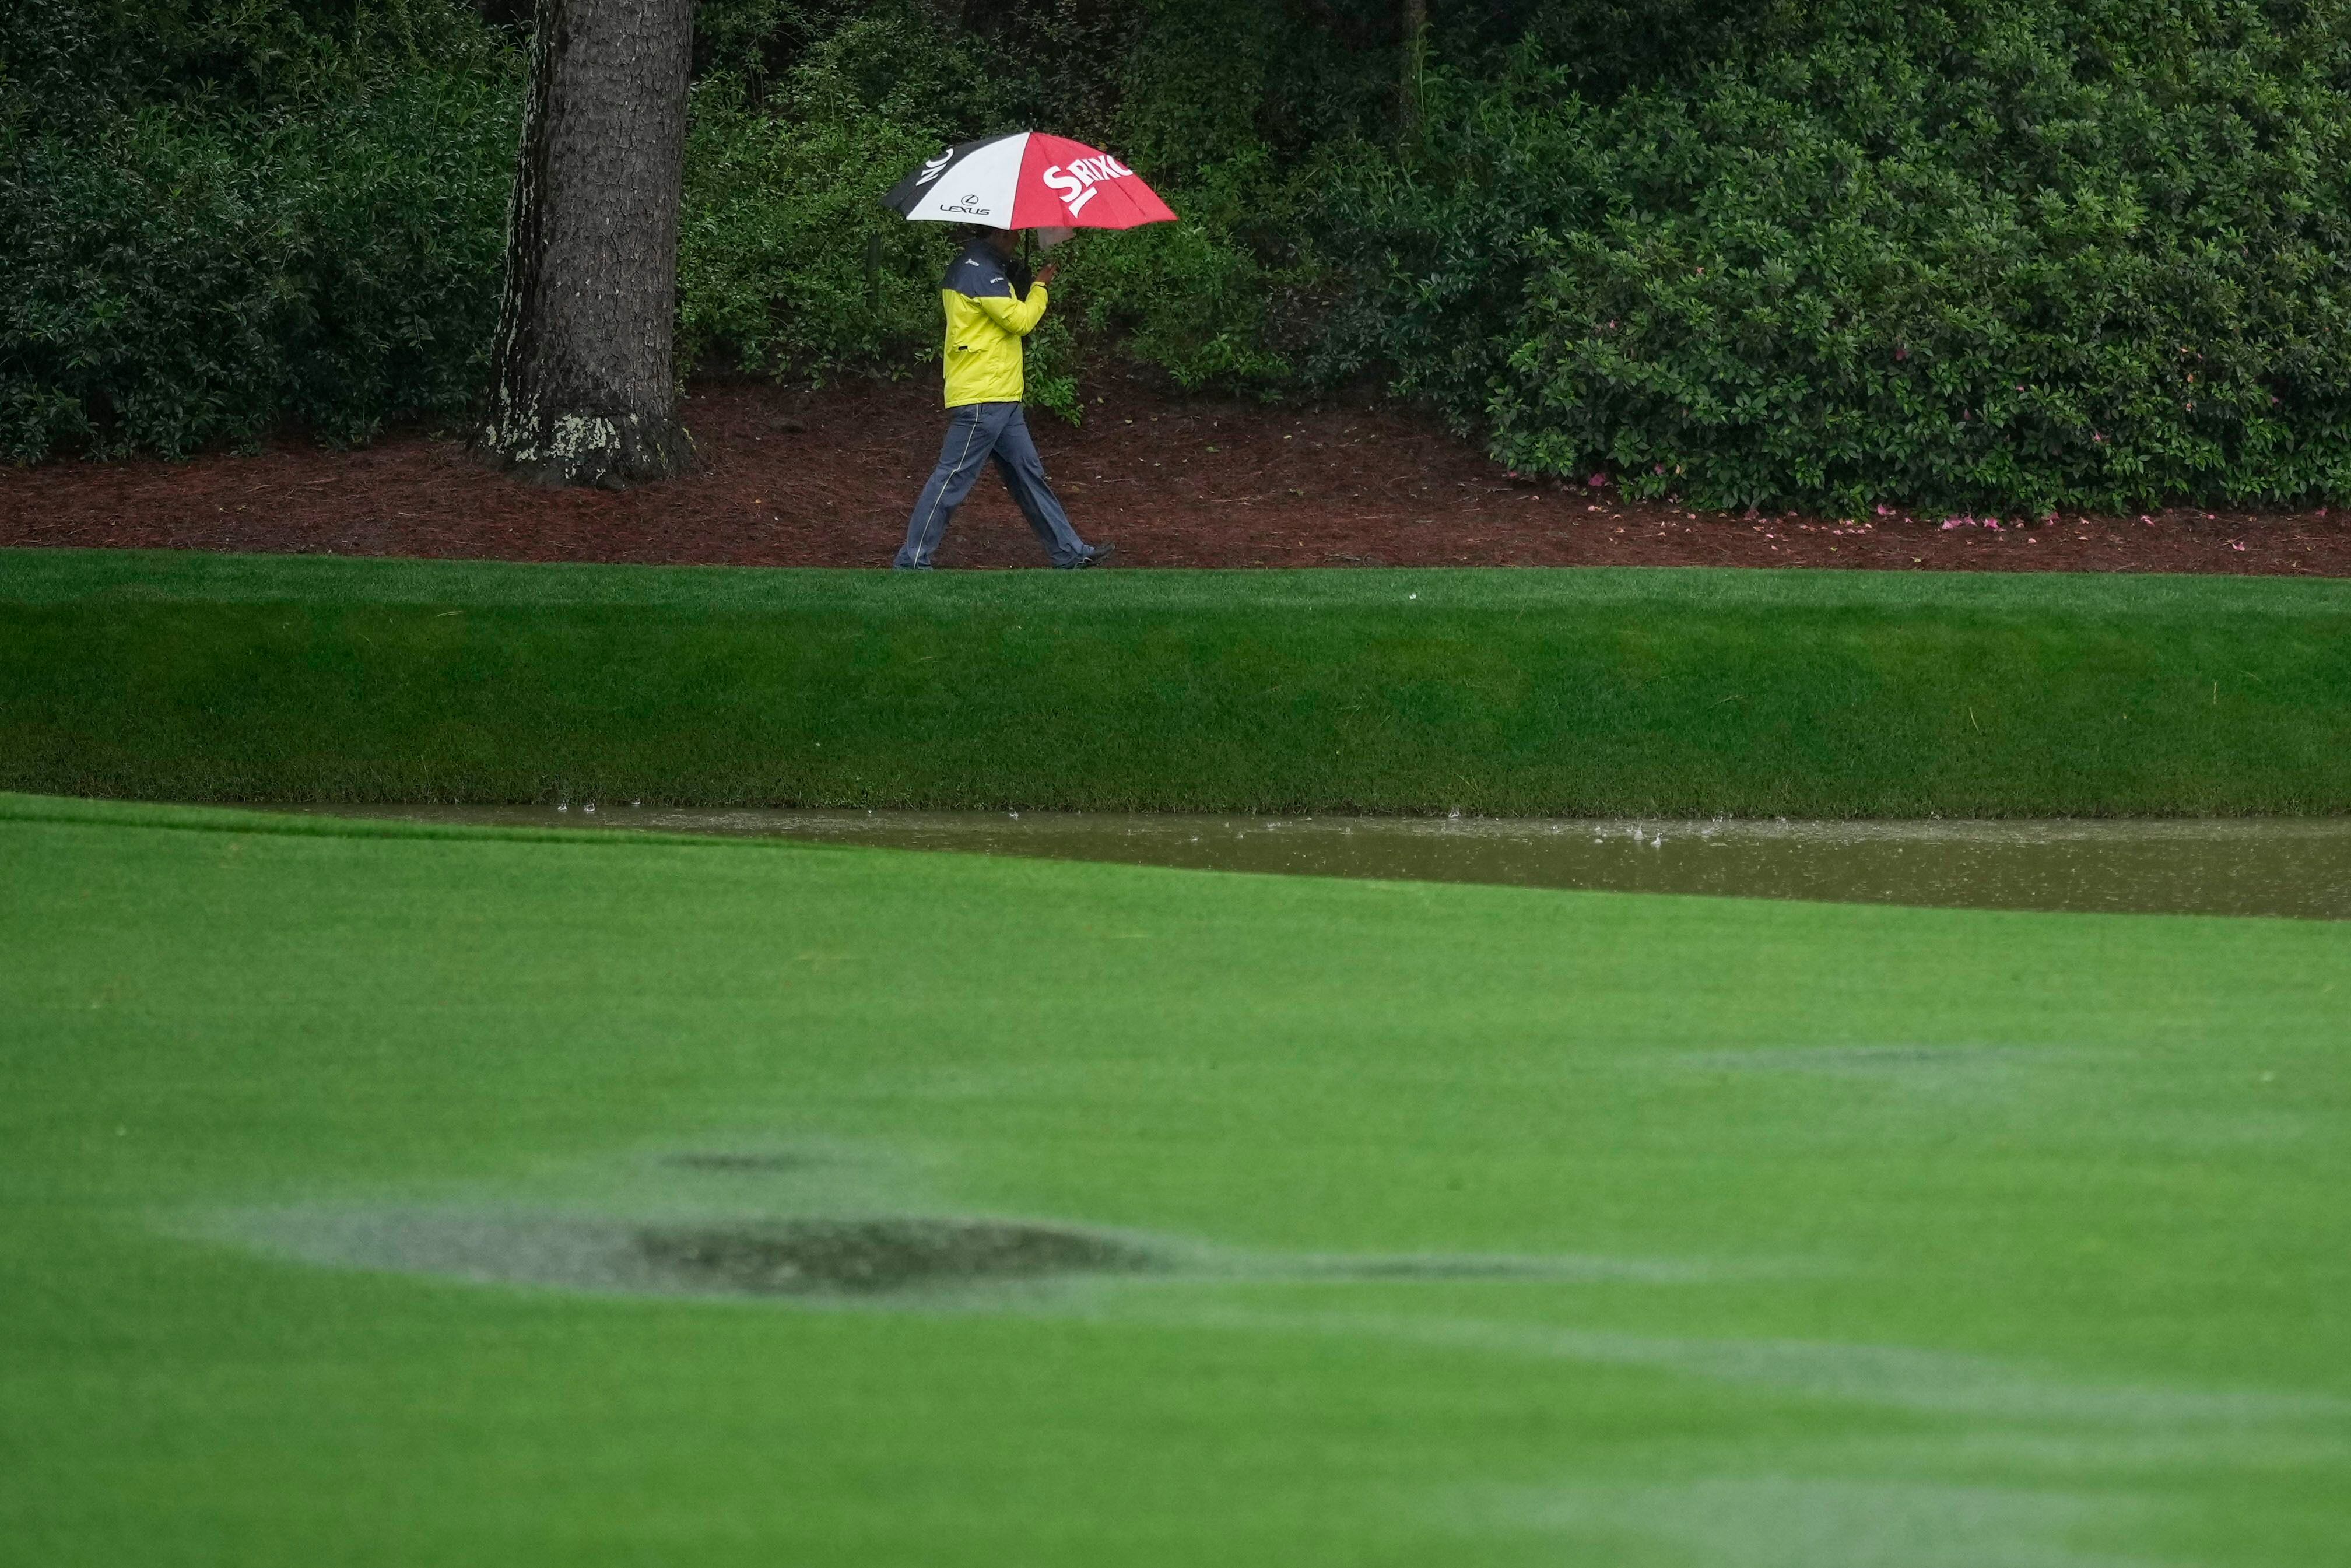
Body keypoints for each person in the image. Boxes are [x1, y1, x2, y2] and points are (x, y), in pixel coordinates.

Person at [895, 227, 1111, 570]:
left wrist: (1016, 279)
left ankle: (1069, 553)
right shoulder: (982, 272)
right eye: (1014, 234)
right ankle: (911, 560)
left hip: (1000, 394)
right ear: (997, 233)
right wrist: (1039, 287)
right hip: (984, 394)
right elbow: (1020, 321)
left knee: (1028, 475)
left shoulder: (974, 264)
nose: (1017, 238)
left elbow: (995, 315)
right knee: (951, 478)